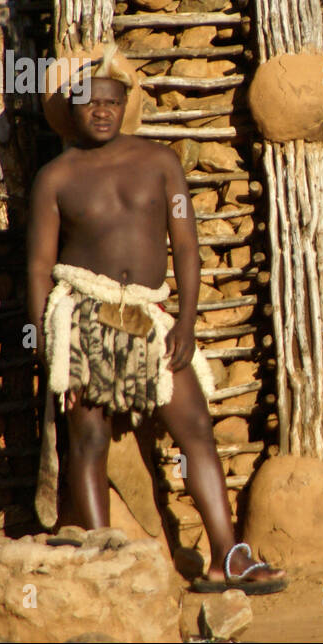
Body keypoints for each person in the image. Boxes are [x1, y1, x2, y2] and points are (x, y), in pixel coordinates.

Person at [26, 45, 286, 593]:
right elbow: (39, 267)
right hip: (84, 322)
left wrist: (186, 323)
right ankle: (106, 564)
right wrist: (55, 357)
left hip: (150, 316)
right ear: (71, 111)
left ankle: (226, 557)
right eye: (89, 102)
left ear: (125, 106)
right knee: (90, 439)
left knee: (194, 427)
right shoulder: (55, 177)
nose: (100, 111)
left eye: (111, 102)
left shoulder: (160, 163)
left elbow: (187, 248)